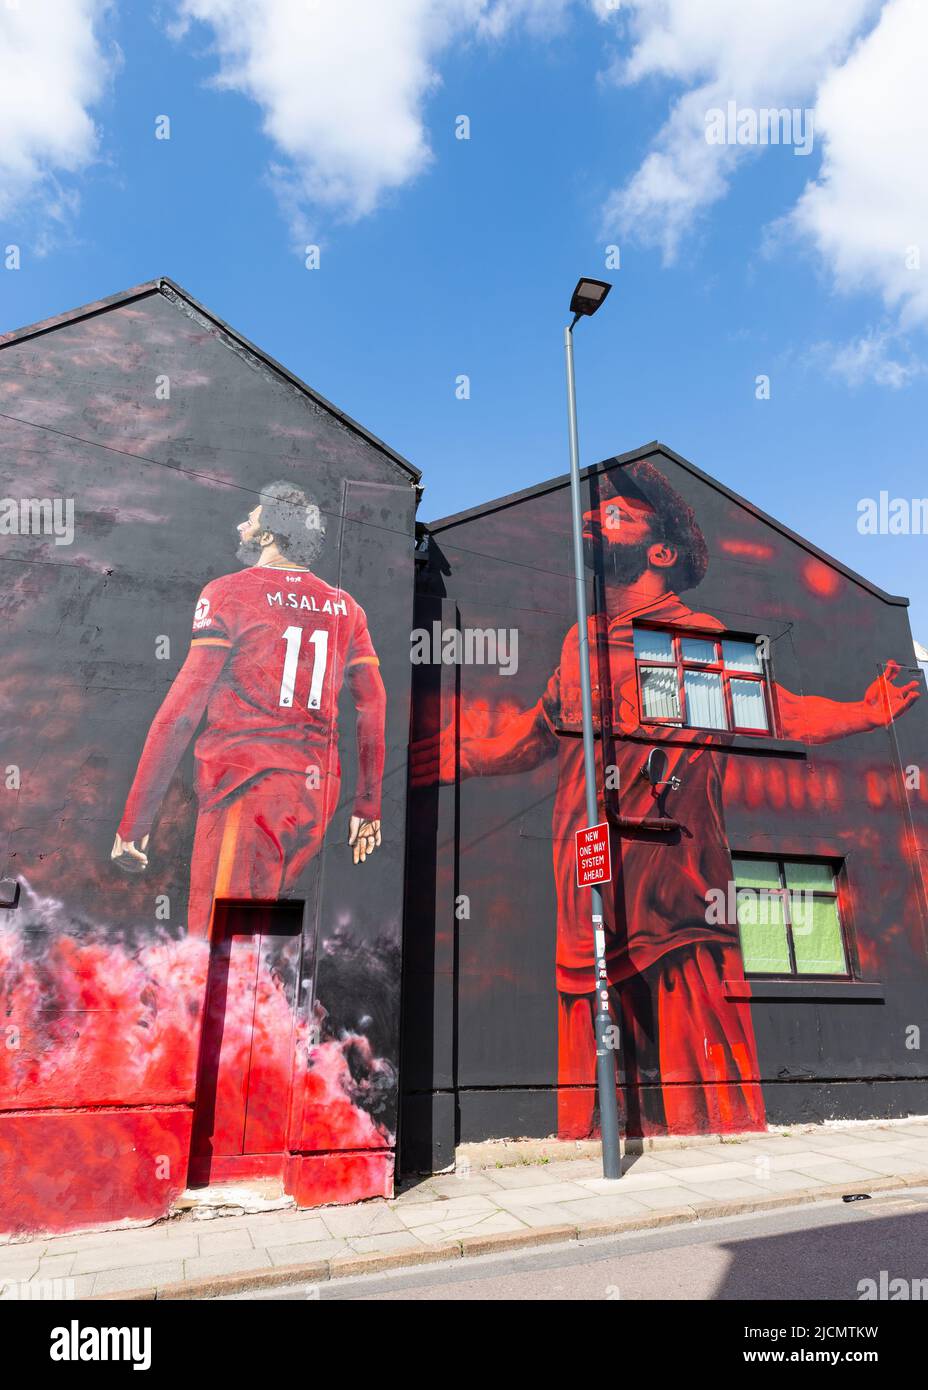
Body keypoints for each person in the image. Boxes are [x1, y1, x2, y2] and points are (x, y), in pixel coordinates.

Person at [411, 460, 919, 1137]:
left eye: (615, 513)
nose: (593, 517)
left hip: (677, 909)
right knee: (592, 1108)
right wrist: (454, 757)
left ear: (661, 550)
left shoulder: (695, 635)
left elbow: (782, 712)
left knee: (702, 1104)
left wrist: (867, 711)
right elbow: (533, 740)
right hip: (585, 911)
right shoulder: (578, 643)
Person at [112, 481, 386, 938]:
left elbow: (181, 711)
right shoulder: (346, 607)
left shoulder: (229, 592)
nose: (242, 524)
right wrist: (369, 806)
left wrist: (137, 818)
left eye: (252, 518)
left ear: (267, 536)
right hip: (316, 797)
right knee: (260, 945)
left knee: (218, 948)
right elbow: (373, 705)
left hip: (247, 787)